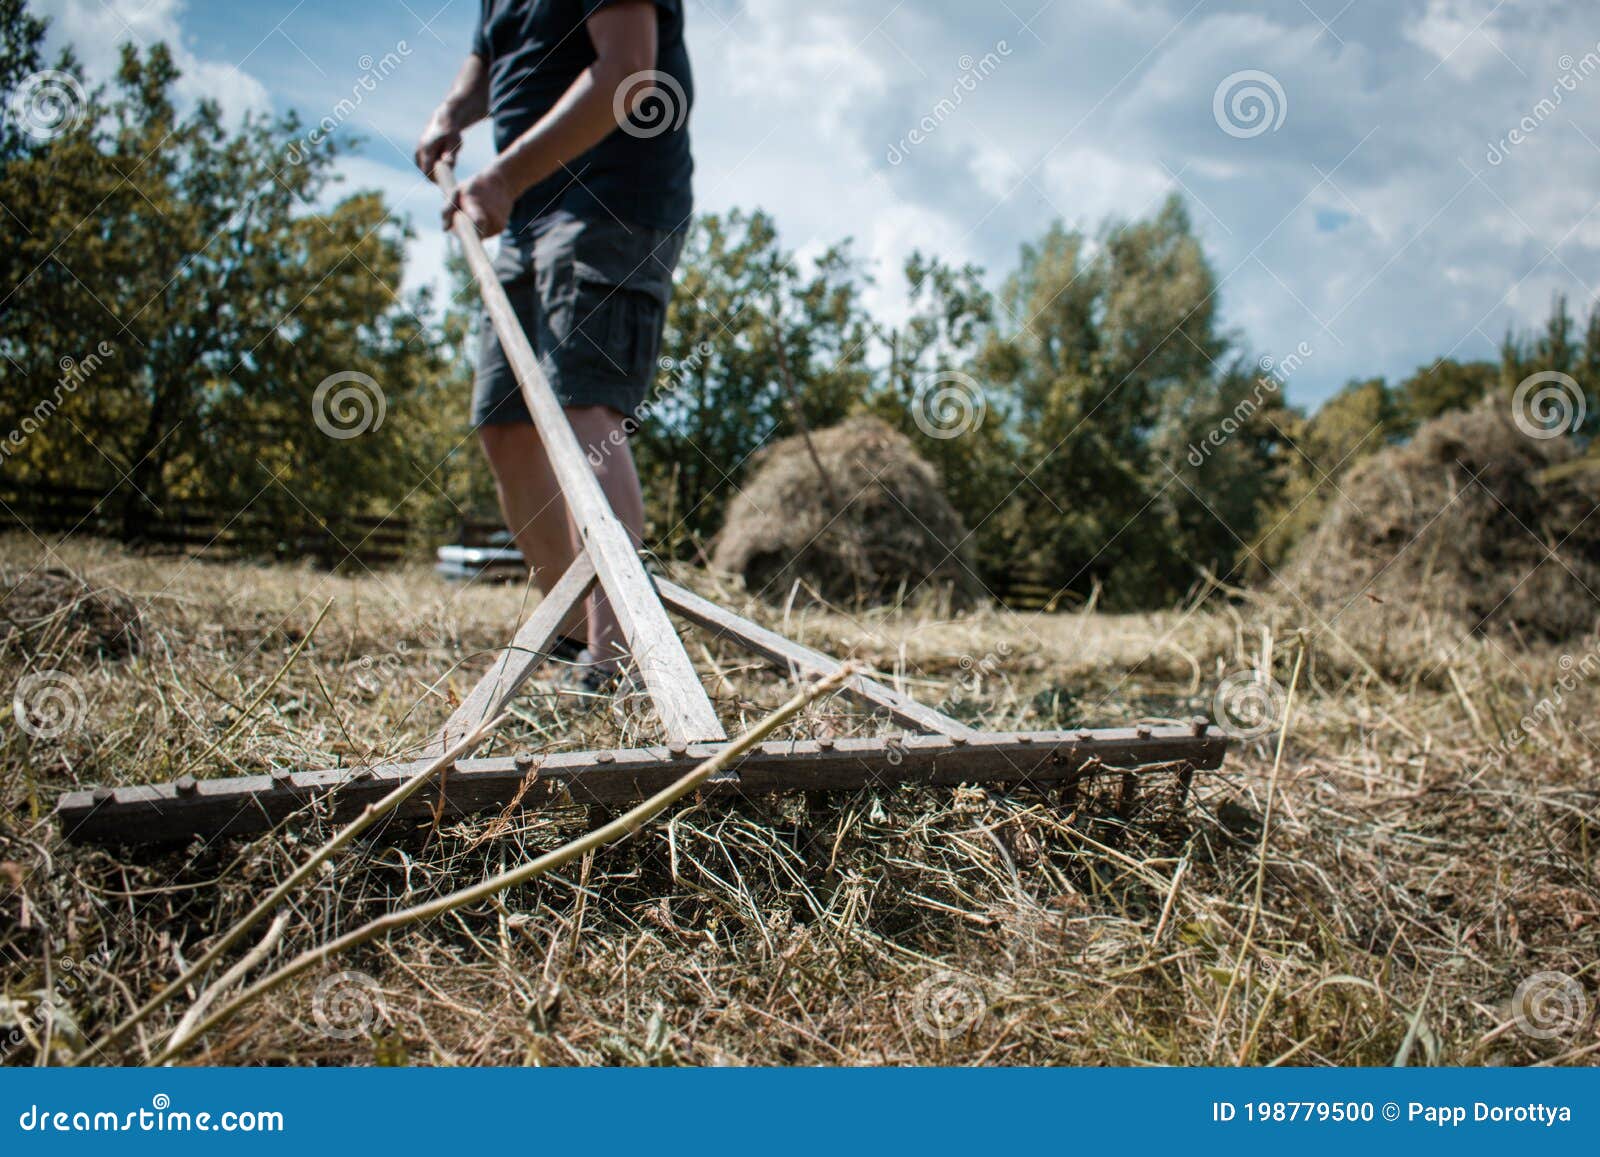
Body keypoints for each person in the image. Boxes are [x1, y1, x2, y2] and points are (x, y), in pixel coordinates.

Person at [415, 0, 693, 694]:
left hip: (612, 202)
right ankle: (576, 638)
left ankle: (616, 663)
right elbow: (493, 51)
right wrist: (452, 112)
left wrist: (501, 177)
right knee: (505, 423)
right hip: (529, 213)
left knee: (584, 409)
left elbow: (628, 70)